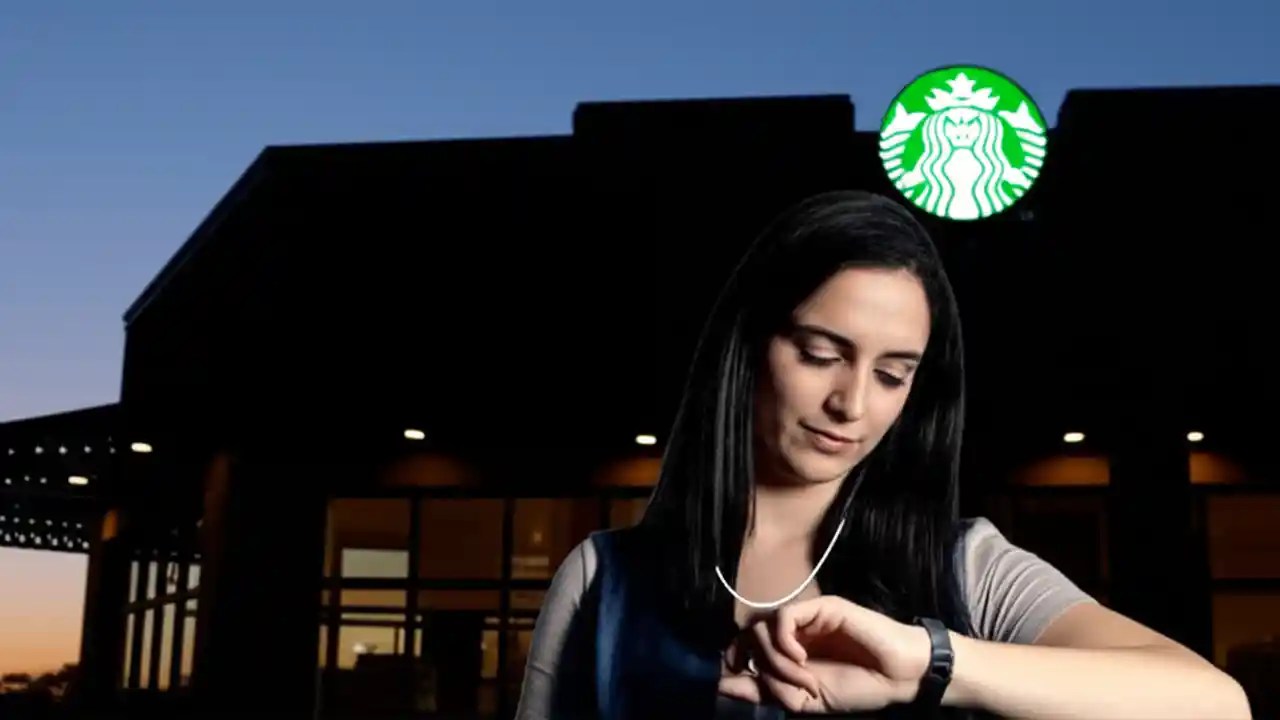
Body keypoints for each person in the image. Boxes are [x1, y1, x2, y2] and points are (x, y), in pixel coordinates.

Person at [514, 190, 1251, 719]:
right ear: (747, 350)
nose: (853, 404)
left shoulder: (968, 567)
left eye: (893, 374)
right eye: (819, 354)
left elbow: (1214, 703)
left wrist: (933, 664)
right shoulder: (602, 580)